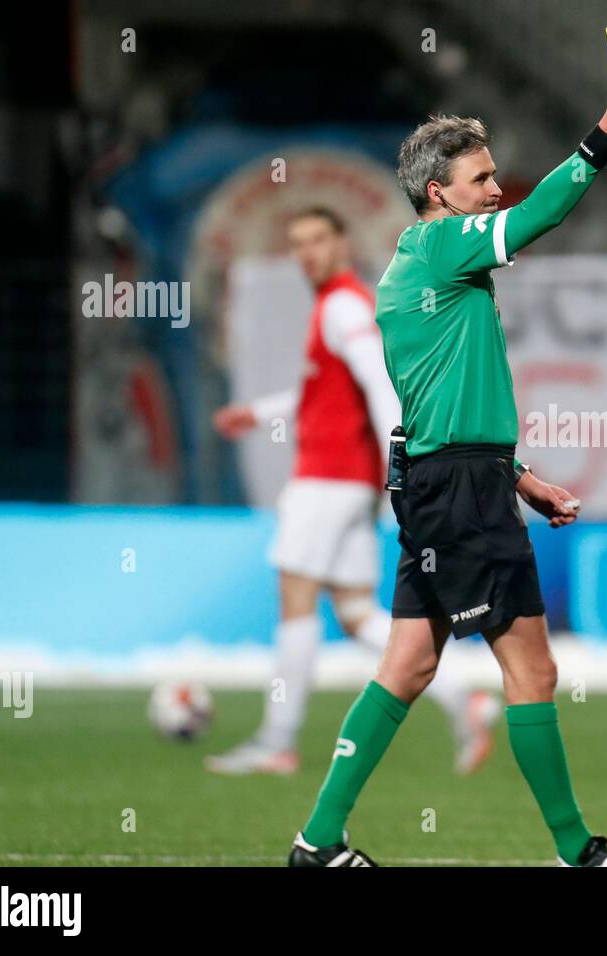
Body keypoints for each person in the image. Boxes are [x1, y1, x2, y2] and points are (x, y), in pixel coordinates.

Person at [289, 62, 607, 867]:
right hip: (458, 493)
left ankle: (318, 841)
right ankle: (581, 854)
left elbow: (444, 406)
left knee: (408, 662)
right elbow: (543, 214)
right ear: (439, 192)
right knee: (532, 672)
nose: (497, 189)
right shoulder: (441, 247)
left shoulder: (419, 264)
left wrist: (519, 475)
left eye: (494, 175)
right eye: (482, 178)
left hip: (445, 481)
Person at [206, 206, 499, 778]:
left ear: (342, 242)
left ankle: (277, 741)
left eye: (317, 239)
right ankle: (463, 696)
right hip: (349, 483)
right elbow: (326, 394)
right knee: (357, 612)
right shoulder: (343, 305)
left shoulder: (342, 304)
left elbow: (377, 381)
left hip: (328, 479)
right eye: (297, 243)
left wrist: (403, 457)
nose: (307, 252)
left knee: (294, 602)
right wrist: (260, 411)